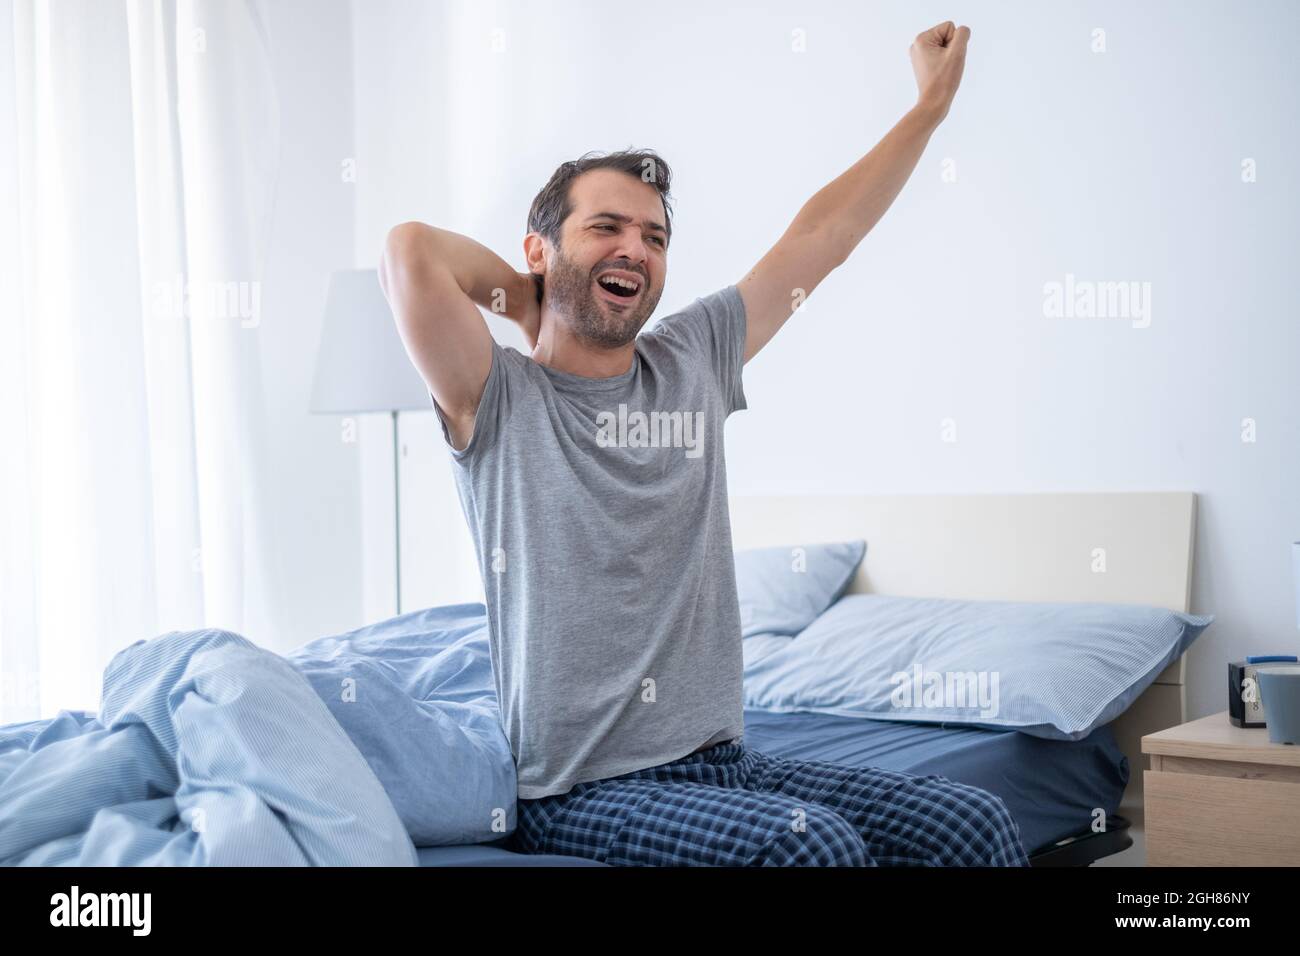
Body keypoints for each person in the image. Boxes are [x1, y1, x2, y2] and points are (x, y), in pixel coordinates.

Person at [381, 21, 1027, 866]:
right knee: (813, 851)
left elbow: (821, 238)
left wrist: (929, 108)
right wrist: (535, 301)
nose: (635, 251)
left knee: (973, 825)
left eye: (654, 237)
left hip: (723, 764)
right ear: (540, 248)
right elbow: (411, 251)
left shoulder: (692, 359)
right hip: (582, 790)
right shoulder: (499, 398)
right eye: (606, 228)